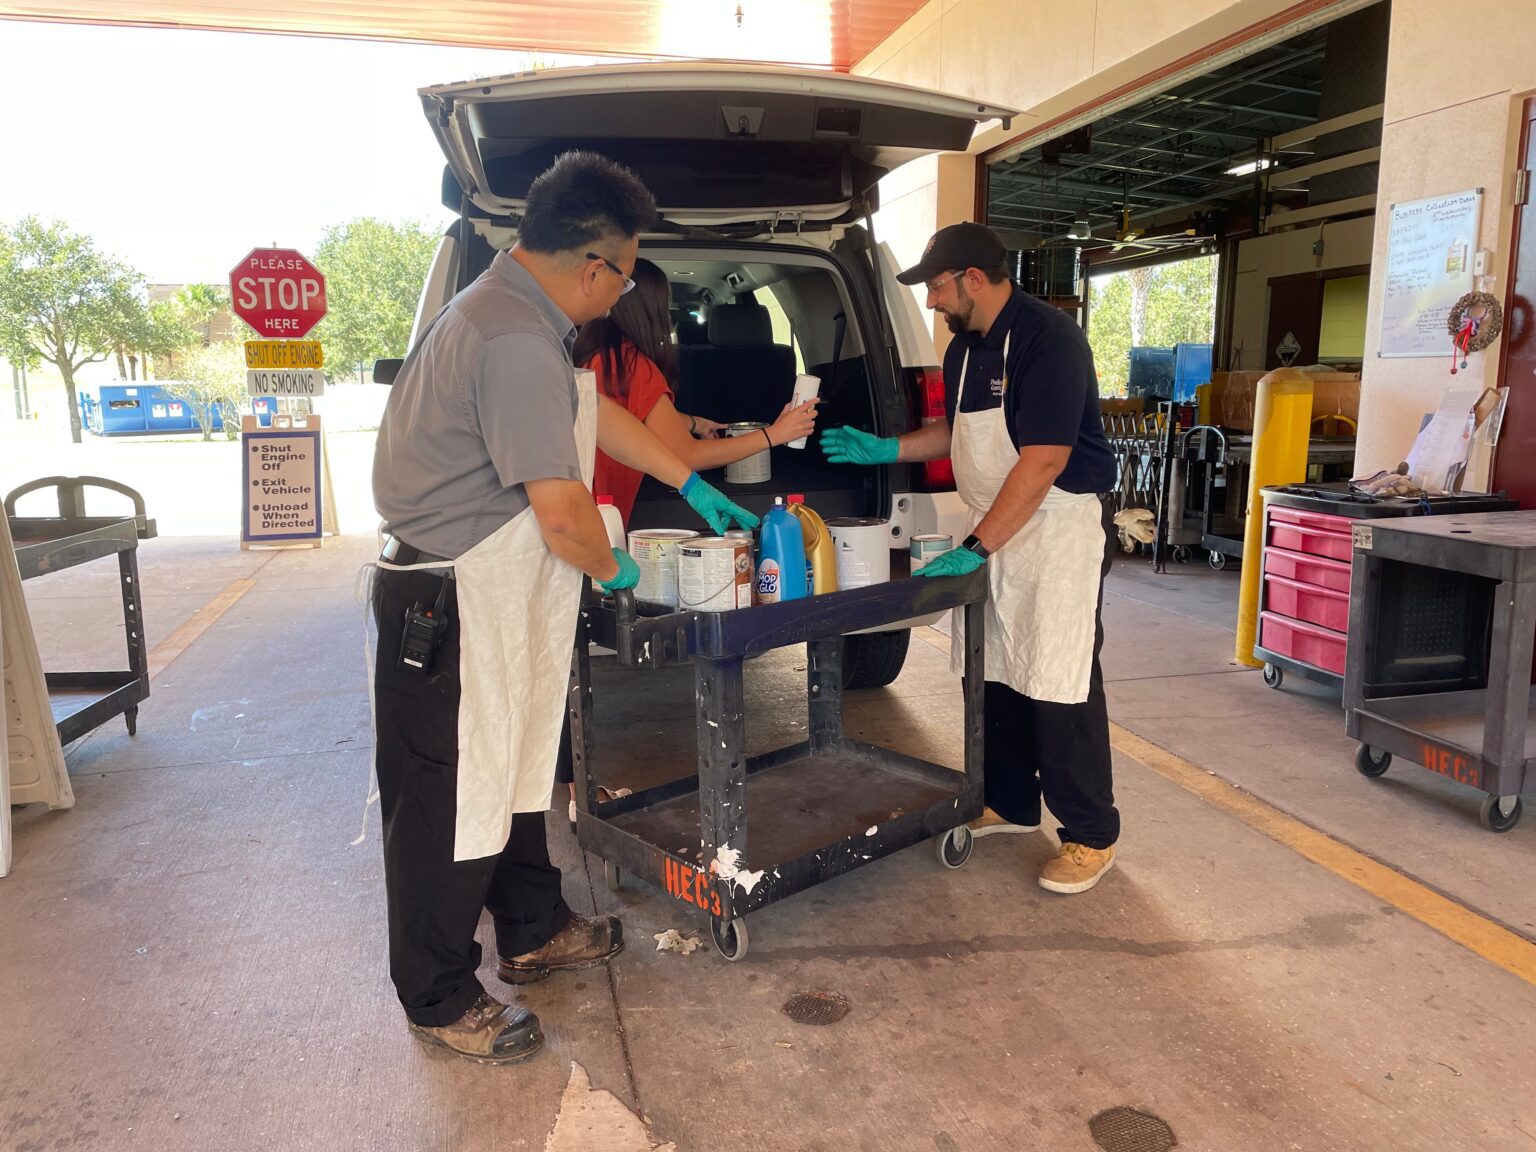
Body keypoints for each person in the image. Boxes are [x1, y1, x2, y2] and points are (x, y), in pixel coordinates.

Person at [371, 151, 757, 1065]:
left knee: (516, 766)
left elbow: (585, 415)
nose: (622, 292)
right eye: (625, 274)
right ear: (597, 265)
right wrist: (619, 574)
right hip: (452, 599)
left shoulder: (519, 317)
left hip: (489, 592)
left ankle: (534, 927)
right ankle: (435, 992)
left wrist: (687, 483)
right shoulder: (509, 336)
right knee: (449, 797)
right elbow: (560, 508)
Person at [821, 221, 1121, 895]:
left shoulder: (1049, 341)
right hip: (998, 527)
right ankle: (1010, 803)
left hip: (1055, 530)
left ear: (972, 279)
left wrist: (978, 545)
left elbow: (1044, 460)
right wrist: (889, 448)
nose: (931, 301)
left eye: (936, 287)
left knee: (1057, 679)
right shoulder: (964, 351)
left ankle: (1090, 834)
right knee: (991, 673)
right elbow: (954, 434)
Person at [572, 257, 819, 527]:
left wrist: (693, 422)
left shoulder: (588, 357)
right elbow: (685, 455)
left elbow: (630, 416)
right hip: (600, 517)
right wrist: (774, 434)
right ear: (650, 310)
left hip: (577, 507)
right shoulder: (633, 366)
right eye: (663, 307)